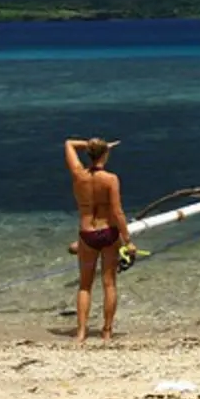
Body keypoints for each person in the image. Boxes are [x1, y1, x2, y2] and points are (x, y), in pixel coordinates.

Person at [65, 137, 136, 343]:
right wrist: (127, 240)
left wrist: (93, 145)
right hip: (108, 233)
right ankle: (106, 331)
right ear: (105, 155)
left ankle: (81, 333)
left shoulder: (79, 175)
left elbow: (69, 144)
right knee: (109, 284)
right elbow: (117, 212)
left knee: (84, 285)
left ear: (89, 153)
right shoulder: (110, 179)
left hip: (87, 234)